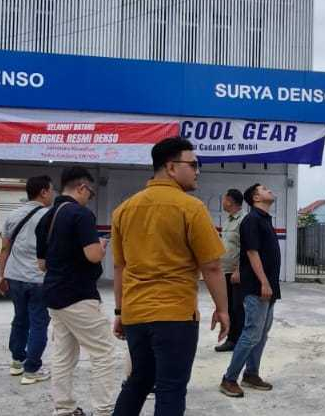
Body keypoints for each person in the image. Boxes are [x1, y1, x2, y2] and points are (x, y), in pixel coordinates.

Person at [112, 137, 229, 416]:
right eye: (193, 164)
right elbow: (211, 266)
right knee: (171, 388)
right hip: (174, 316)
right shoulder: (191, 208)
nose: (198, 170)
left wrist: (120, 311)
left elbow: (120, 267)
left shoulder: (124, 210)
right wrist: (223, 309)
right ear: (171, 167)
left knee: (139, 380)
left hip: (136, 315)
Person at [36, 166, 120, 416]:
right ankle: (103, 410)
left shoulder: (46, 217)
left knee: (64, 354)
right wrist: (102, 246)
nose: (90, 198)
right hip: (78, 295)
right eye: (91, 193)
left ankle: (64, 408)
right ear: (82, 188)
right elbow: (93, 255)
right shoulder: (80, 215)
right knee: (104, 351)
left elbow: (42, 264)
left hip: (54, 294)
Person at [219, 183, 281, 398]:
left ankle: (251, 374)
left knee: (261, 334)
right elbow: (252, 254)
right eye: (265, 189)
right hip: (257, 287)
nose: (269, 190)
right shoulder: (252, 220)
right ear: (256, 197)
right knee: (251, 333)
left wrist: (270, 285)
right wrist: (263, 282)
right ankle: (229, 378)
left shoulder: (264, 219)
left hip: (269, 288)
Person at [0, 175, 55, 384]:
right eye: (51, 190)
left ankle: (16, 362)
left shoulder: (13, 215)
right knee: (39, 322)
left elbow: (5, 248)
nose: (53, 193)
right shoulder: (50, 217)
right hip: (38, 278)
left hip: (15, 277)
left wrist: (1, 275)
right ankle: (31, 370)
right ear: (43, 192)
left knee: (20, 319)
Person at [214, 188, 245, 353]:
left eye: (224, 199)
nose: (222, 202)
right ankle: (232, 338)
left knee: (236, 308)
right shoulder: (227, 221)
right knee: (228, 307)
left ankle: (235, 340)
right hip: (224, 270)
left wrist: (239, 270)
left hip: (235, 273)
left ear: (230, 201)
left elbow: (246, 248)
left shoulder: (243, 220)